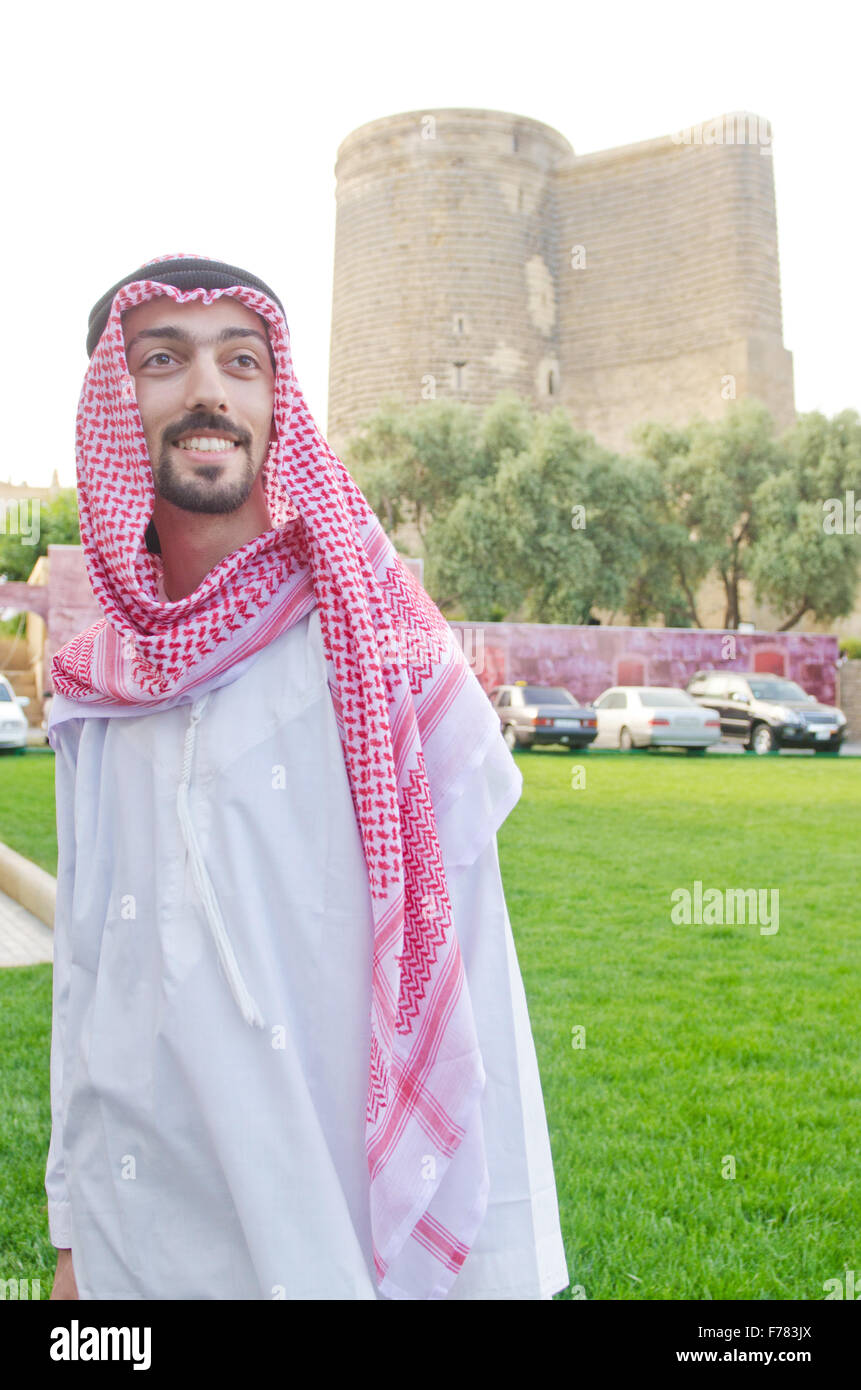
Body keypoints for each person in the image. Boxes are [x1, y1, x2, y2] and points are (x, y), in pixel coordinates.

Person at [45, 253, 569, 1301]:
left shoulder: (382, 654)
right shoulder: (95, 690)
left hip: (326, 1245)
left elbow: (471, 972)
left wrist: (500, 1274)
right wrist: (72, 1241)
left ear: (277, 402)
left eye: (242, 360)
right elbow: (88, 976)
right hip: (139, 1246)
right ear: (110, 402)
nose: (209, 390)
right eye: (163, 359)